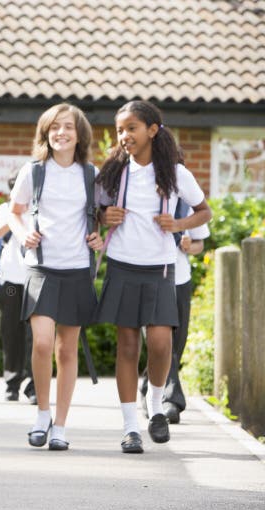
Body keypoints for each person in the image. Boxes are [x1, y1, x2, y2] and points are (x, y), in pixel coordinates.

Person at [95, 100, 211, 453]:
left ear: (152, 130)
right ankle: (130, 427)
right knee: (128, 347)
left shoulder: (175, 173)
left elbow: (205, 211)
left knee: (161, 345)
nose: (124, 136)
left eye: (131, 128)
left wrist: (178, 224)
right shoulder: (113, 172)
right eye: (120, 130)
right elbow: (94, 213)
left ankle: (156, 405)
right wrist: (104, 216)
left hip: (161, 269)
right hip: (122, 265)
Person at [8, 103, 104, 451]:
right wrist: (22, 235)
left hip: (77, 270)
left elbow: (103, 217)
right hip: (41, 268)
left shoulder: (91, 174)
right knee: (43, 342)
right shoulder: (33, 172)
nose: (60, 133)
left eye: (68, 127)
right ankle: (42, 414)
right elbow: (14, 211)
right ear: (45, 133)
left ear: (80, 135)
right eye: (54, 128)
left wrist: (99, 236)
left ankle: (61, 426)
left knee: (66, 350)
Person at [140, 207, 209, 423]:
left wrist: (190, 246)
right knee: (159, 341)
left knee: (177, 342)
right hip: (149, 277)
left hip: (179, 279)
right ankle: (170, 400)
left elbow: (200, 244)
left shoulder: (187, 204)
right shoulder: (146, 198)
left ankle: (148, 389)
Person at [0, 177, 36, 404]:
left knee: (36, 333)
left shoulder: (41, 208)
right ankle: (12, 383)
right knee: (11, 332)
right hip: (10, 280)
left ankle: (34, 385)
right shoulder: (6, 209)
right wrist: (14, 215)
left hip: (37, 278)